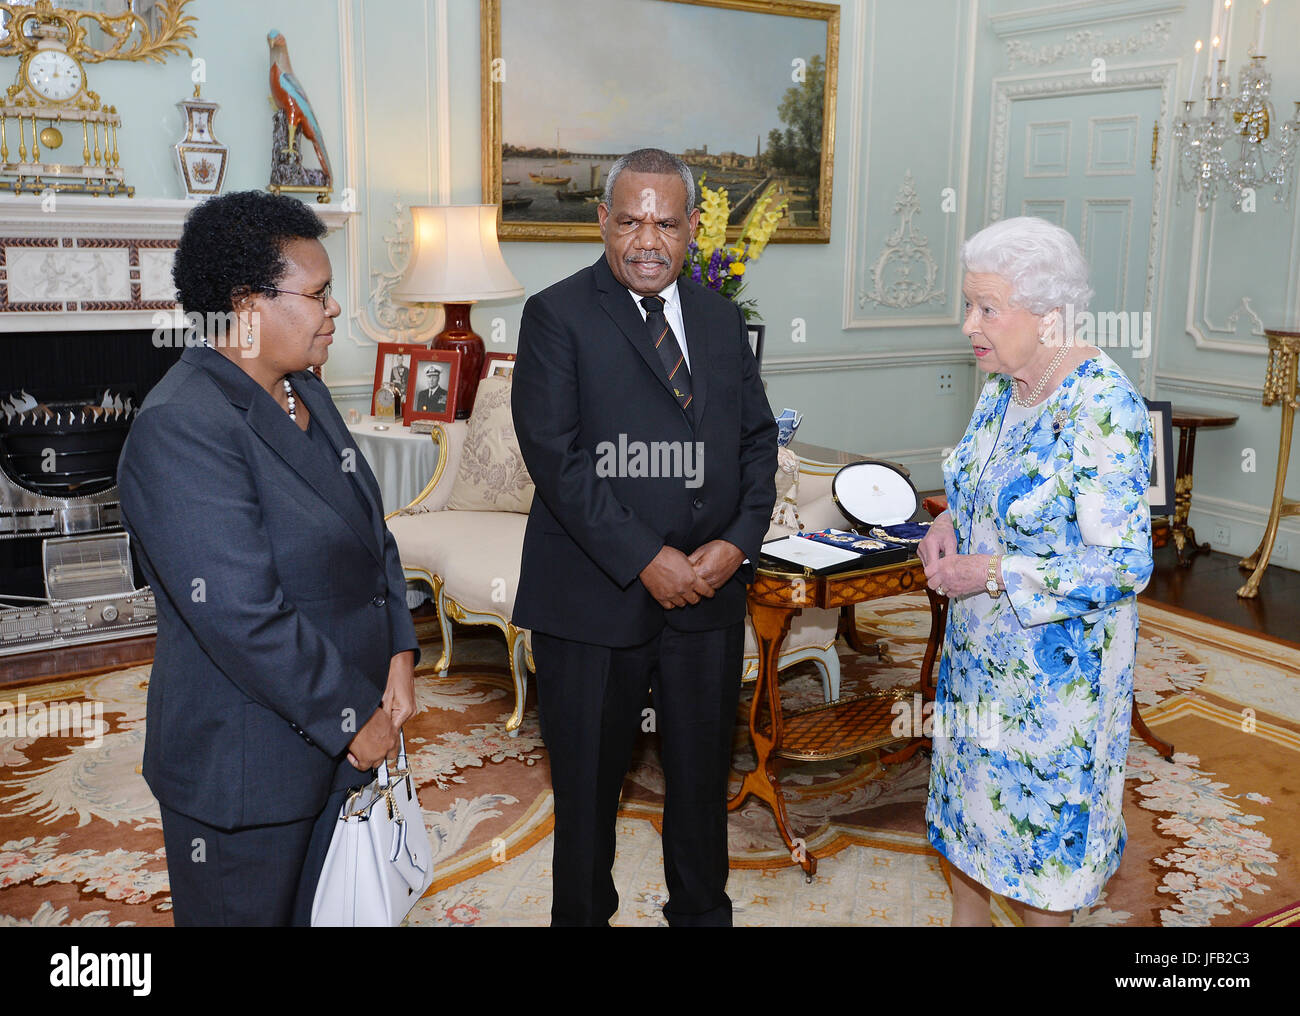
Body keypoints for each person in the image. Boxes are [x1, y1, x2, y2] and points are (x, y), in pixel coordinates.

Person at [117, 190, 419, 926]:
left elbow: (370, 531)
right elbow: (242, 615)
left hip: (342, 739)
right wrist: (356, 719)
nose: (335, 310)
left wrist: (401, 655)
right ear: (248, 306)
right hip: (248, 769)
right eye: (317, 295)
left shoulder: (303, 391)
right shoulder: (181, 427)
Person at [511, 148, 777, 927]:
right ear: (603, 222)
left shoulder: (724, 319)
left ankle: (701, 915)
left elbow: (757, 442)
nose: (646, 240)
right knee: (589, 793)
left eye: (665, 222)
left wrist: (737, 541)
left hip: (709, 597)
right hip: (594, 602)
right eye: (629, 221)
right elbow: (557, 461)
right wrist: (645, 559)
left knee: (699, 784)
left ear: (693, 228)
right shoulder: (557, 315)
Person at [918, 216, 1154, 927]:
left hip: (1058, 681)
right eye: (969, 304)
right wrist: (949, 519)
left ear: (1049, 316)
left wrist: (993, 572)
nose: (970, 325)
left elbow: (1122, 563)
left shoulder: (1101, 403)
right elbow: (985, 484)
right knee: (967, 817)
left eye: (987, 307)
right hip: (978, 654)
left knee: (1038, 852)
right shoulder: (1005, 385)